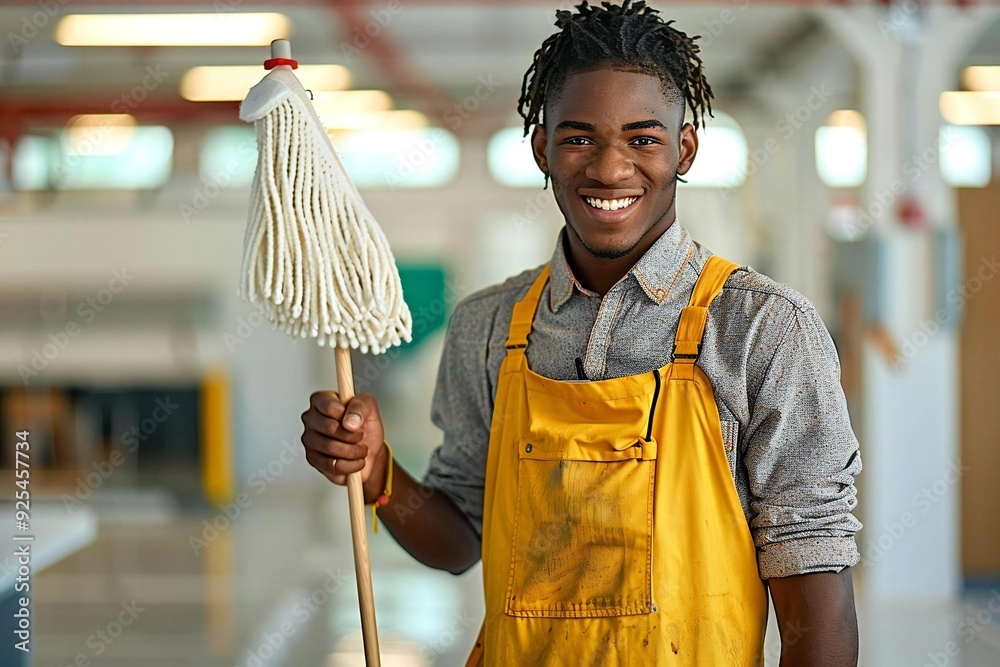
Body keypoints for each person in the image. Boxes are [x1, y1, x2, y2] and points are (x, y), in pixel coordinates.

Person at [301, 1, 862, 664]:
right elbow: (458, 540)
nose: (608, 168)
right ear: (542, 147)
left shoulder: (762, 329)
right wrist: (377, 472)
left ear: (684, 149)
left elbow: (815, 591)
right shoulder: (487, 327)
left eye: (643, 138)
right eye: (578, 138)